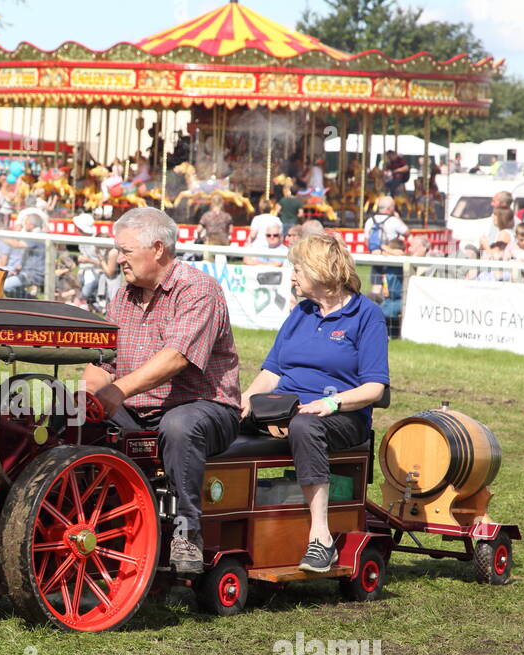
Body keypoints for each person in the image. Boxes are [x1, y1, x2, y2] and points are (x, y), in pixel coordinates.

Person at [81, 207, 242, 574]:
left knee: (178, 426)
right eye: (117, 250)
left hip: (206, 408)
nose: (118, 258)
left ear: (157, 249)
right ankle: (99, 524)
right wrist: (87, 397)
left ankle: (187, 531)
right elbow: (101, 361)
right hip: (137, 406)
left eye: (125, 250)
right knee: (78, 417)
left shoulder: (199, 290)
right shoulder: (124, 296)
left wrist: (117, 391)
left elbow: (176, 359)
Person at [240, 234, 390, 572]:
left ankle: (320, 538)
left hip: (342, 416)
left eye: (297, 269)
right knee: (220, 417)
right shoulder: (301, 313)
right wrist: (245, 398)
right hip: (284, 409)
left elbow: (375, 389)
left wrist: (332, 403)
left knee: (305, 425)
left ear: (321, 271)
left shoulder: (367, 315)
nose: (291, 276)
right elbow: (272, 372)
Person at [1, 212, 47, 298]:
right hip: (28, 272)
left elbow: (17, 245)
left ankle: (32, 302)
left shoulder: (37, 235)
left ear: (31, 225)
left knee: (3, 286)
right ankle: (29, 302)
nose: (24, 225)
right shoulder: (38, 234)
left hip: (33, 274)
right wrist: (21, 266)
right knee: (8, 288)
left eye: (25, 222)